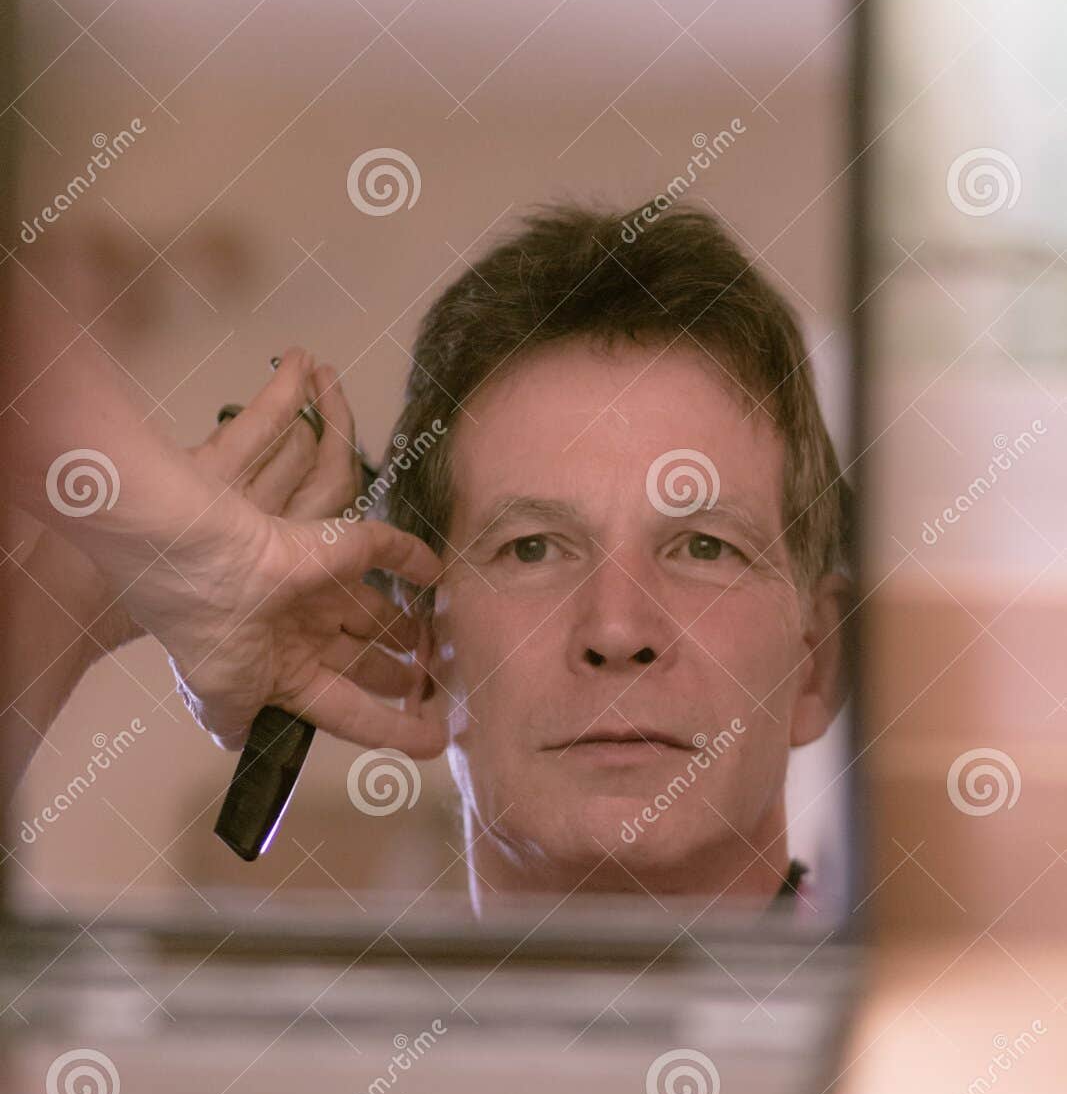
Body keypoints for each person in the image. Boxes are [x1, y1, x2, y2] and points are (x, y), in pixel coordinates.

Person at [3, 203, 851, 915]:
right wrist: (83, 586)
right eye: (532, 549)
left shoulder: (947, 1058)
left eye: (704, 546)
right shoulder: (289, 1093)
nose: (618, 627)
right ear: (423, 654)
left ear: (816, 660)